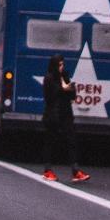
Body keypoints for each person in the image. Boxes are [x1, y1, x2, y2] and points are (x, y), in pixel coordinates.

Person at [41, 54, 90, 183]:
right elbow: (51, 95)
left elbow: (72, 94)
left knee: (72, 141)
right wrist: (63, 89)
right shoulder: (49, 78)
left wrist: (68, 87)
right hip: (53, 115)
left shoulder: (65, 77)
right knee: (50, 143)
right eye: (60, 65)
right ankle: (47, 170)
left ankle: (76, 171)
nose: (62, 67)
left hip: (66, 114)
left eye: (62, 64)